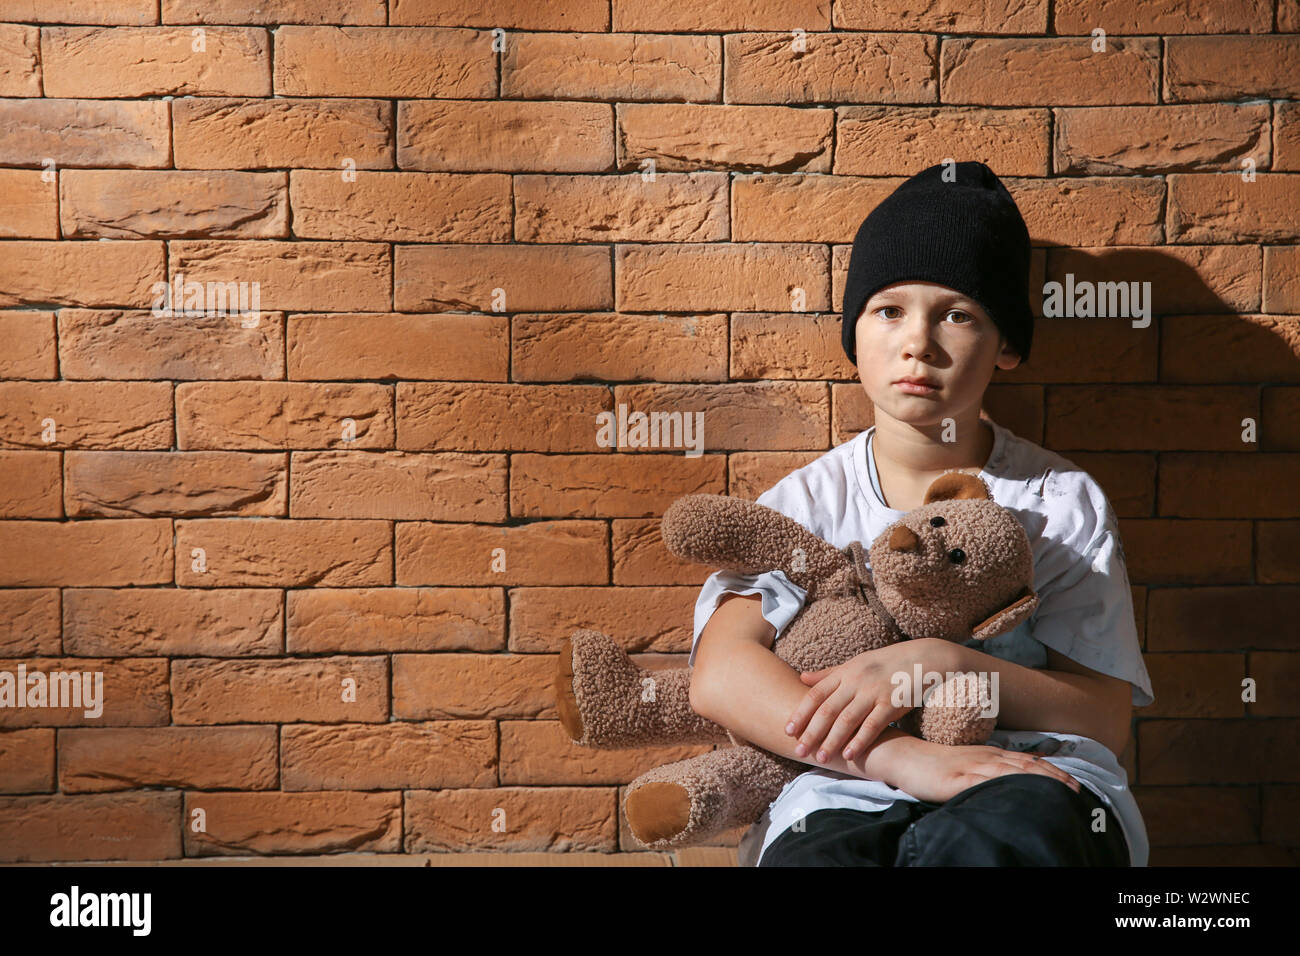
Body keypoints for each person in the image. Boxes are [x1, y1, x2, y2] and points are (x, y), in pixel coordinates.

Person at [686, 161, 1154, 867]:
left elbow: (1103, 716)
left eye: (959, 314)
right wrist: (900, 756)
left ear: (1009, 346)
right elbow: (721, 674)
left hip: (1029, 782)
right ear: (855, 334)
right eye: (890, 310)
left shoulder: (1057, 500)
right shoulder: (806, 502)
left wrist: (933, 664)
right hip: (840, 782)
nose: (919, 343)